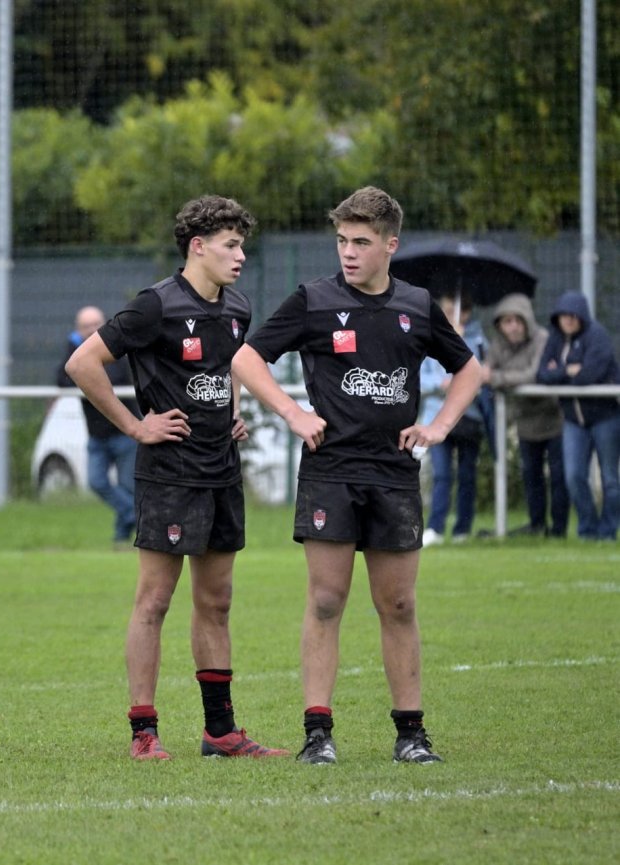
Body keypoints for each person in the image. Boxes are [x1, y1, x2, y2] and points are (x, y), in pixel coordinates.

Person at [232, 186, 481, 765]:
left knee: (398, 605)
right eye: (342, 240)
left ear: (390, 245)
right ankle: (318, 734)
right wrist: (293, 412)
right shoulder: (314, 301)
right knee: (325, 600)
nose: (349, 252)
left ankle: (411, 734)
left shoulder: (417, 306)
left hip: (393, 474)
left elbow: (470, 369)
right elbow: (247, 357)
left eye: (362, 242)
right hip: (331, 472)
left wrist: (439, 425)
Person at [65, 194, 287, 761]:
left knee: (216, 601)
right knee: (154, 601)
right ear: (198, 246)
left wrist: (233, 409)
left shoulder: (237, 306)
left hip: (221, 471)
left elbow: (231, 365)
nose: (240, 256)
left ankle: (220, 732)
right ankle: (144, 733)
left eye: (243, 246)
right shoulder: (155, 306)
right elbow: (82, 364)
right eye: (231, 245)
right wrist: (137, 426)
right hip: (169, 475)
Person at [536, 291, 620, 541]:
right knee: (573, 475)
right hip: (574, 420)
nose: (569, 320)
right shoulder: (554, 339)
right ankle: (587, 528)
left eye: (573, 315)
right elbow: (541, 374)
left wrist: (560, 372)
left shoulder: (598, 336)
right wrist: (569, 369)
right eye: (564, 315)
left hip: (606, 417)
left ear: (582, 316)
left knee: (609, 479)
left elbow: (589, 376)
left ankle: (608, 531)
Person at [484, 292, 568, 537]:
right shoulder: (497, 344)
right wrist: (491, 376)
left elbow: (535, 374)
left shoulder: (543, 339)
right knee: (531, 476)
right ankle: (536, 525)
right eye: (506, 321)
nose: (512, 327)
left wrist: (498, 378)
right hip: (525, 421)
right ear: (500, 324)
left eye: (517, 321)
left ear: (526, 321)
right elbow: (484, 371)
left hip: (554, 418)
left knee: (559, 475)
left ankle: (559, 529)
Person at [57, 305, 138, 546]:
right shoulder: (75, 353)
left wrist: (87, 366)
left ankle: (121, 538)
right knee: (97, 481)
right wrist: (78, 355)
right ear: (77, 331)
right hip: (97, 435)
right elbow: (63, 379)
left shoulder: (119, 351)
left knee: (127, 485)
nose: (92, 330)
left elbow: (111, 379)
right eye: (86, 326)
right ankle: (134, 515)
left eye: (96, 324)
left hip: (125, 431)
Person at [419, 296, 487, 546]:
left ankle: (463, 529)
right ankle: (435, 527)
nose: (460, 314)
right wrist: (440, 384)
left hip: (469, 417)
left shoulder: (477, 339)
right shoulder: (428, 338)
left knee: (467, 475)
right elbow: (418, 377)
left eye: (464, 309)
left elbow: (481, 371)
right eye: (451, 310)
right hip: (436, 418)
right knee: (442, 475)